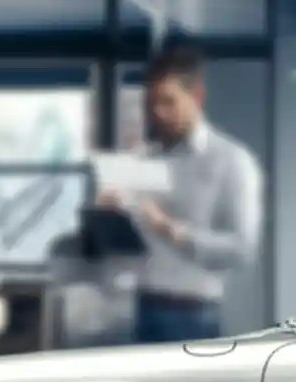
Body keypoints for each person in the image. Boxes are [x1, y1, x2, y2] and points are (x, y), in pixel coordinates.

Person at [99, 46, 263, 343]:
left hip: (193, 314)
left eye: (168, 102)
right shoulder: (143, 160)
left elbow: (241, 249)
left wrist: (172, 231)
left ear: (197, 96)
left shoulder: (231, 161)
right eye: (152, 104)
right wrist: (110, 221)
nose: (159, 113)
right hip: (136, 308)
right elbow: (127, 246)